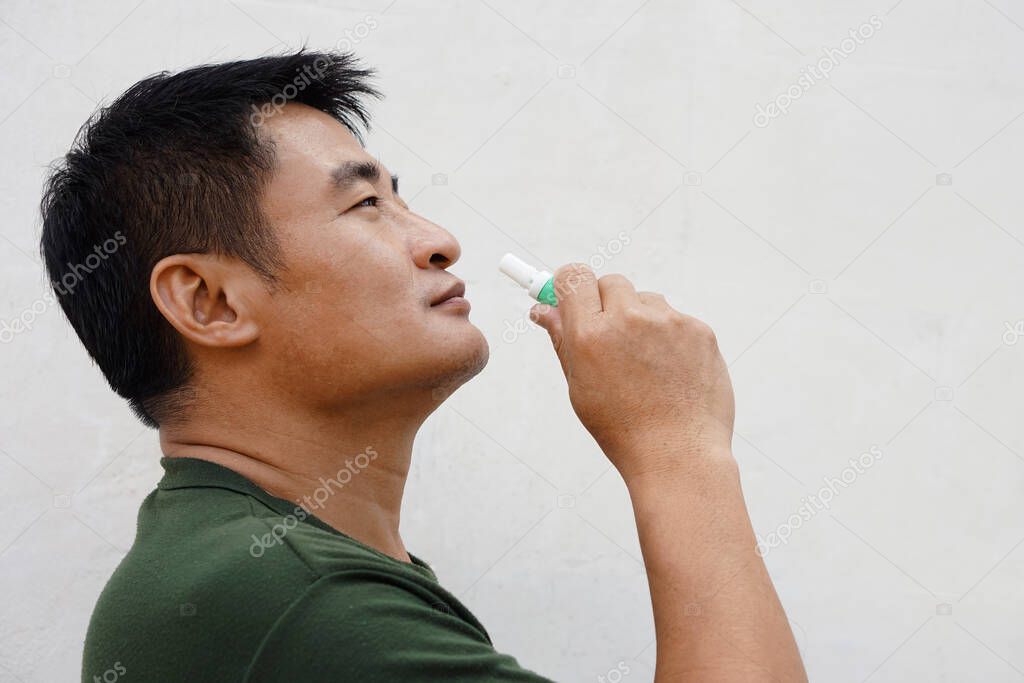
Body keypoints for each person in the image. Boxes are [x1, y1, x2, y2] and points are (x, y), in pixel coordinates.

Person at [41, 50, 806, 682]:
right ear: (208, 301)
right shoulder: (291, 595)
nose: (439, 240)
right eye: (365, 206)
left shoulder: (255, 567)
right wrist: (679, 449)